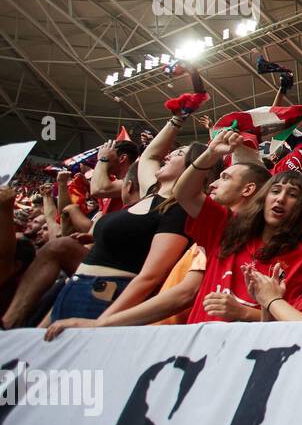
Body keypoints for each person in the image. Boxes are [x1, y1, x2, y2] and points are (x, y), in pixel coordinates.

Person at [45, 159, 273, 338]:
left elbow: (182, 292)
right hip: (159, 332)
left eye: (224, 178)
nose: (213, 184)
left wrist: (102, 323)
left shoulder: (227, 234)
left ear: (248, 189)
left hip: (171, 337)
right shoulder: (214, 234)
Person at [41, 118, 197, 324]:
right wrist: (178, 117)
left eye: (178, 154)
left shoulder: (179, 209)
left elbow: (151, 276)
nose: (167, 156)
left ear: (193, 169)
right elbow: (151, 155)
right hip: (76, 287)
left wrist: (101, 323)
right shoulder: (150, 192)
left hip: (107, 296)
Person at [173, 130, 302, 324]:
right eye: (275, 191)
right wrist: (211, 154)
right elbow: (184, 194)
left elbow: (293, 317)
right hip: (197, 347)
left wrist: (242, 313)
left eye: (292, 195)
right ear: (264, 197)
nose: (281, 198)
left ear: (301, 207)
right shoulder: (225, 226)